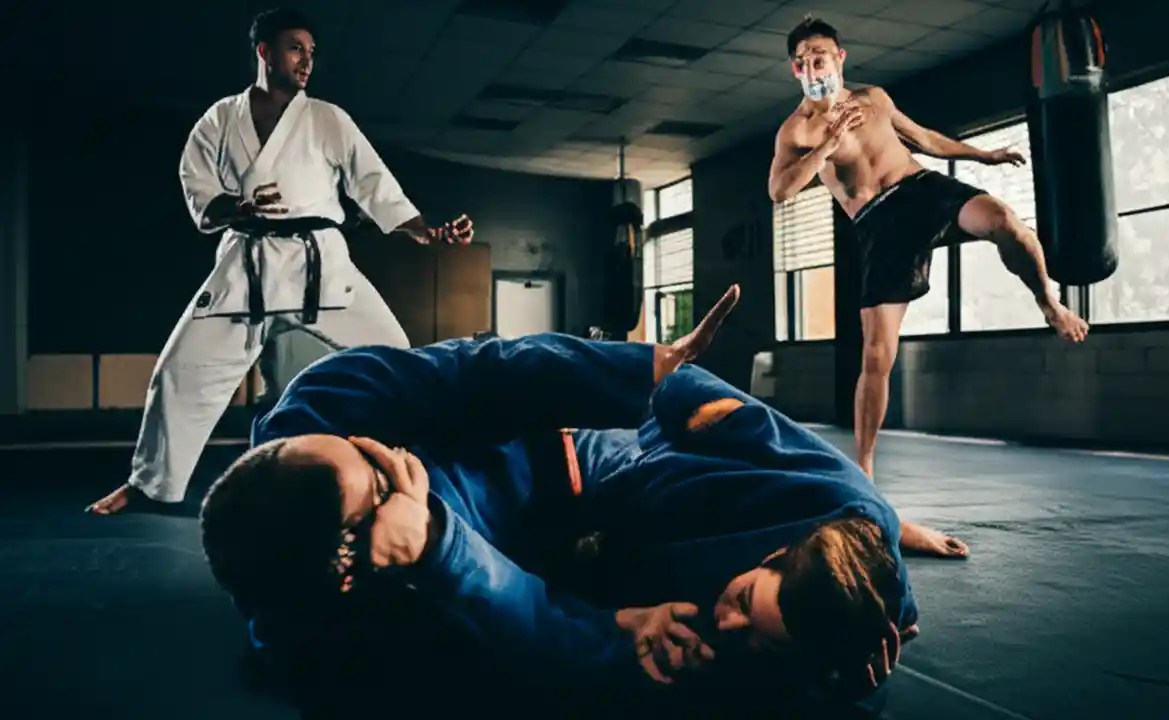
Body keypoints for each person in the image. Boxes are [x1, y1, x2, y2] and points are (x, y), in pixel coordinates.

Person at [198, 286, 924, 716]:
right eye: (379, 484)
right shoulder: (348, 629)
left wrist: (645, 370)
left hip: (558, 464)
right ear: (353, 560)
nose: (392, 460)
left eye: (364, 451)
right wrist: (438, 547)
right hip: (536, 548)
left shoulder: (327, 398)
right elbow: (532, 625)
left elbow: (484, 372)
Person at [86, 8, 474, 516]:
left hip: (321, 267)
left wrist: (424, 229)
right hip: (247, 266)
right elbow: (198, 187)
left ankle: (426, 472)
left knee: (398, 360)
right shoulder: (220, 119)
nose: (306, 61)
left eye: (311, 52)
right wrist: (236, 208)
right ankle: (149, 486)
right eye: (295, 49)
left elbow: (373, 182)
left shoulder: (328, 119)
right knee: (178, 372)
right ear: (264, 52)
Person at [767, 17, 1089, 491]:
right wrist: (828, 146)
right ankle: (864, 468)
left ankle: (1049, 303)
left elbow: (925, 139)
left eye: (821, 56)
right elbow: (779, 190)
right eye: (804, 61)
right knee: (877, 353)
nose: (814, 67)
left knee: (1003, 220)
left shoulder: (874, 99)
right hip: (877, 221)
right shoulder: (797, 131)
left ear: (840, 58)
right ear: (796, 69)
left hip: (922, 188)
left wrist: (982, 155)